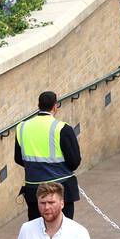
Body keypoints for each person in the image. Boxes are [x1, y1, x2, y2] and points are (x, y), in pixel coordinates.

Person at [15, 90, 82, 221]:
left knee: (37, 231)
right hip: (61, 188)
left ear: (38, 105)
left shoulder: (22, 127)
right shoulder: (63, 128)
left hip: (34, 189)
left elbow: (18, 158)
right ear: (55, 106)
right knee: (62, 231)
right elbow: (74, 161)